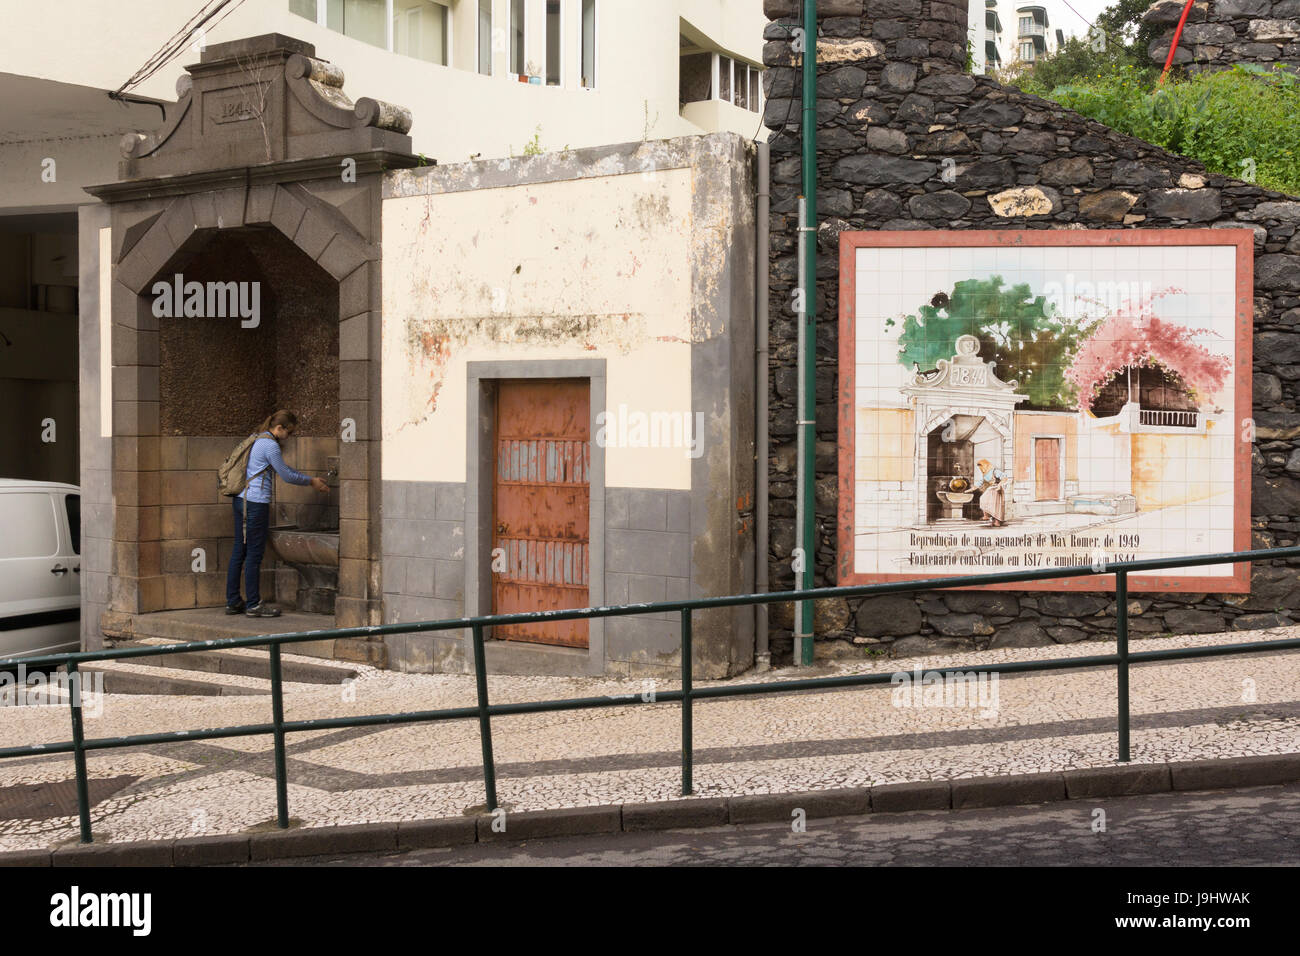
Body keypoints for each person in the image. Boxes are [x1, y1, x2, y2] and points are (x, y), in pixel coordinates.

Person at [226, 410, 329, 617]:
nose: (288, 437)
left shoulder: (256, 438)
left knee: (240, 550)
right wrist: (311, 481)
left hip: (240, 499)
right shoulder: (270, 445)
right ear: (279, 428)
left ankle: (233, 601)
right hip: (255, 503)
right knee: (254, 554)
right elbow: (286, 474)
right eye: (289, 432)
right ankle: (253, 604)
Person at [974, 458, 1008, 528]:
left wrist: (999, 485)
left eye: (981, 466)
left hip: (997, 489)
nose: (980, 468)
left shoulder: (995, 471)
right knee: (984, 500)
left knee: (996, 505)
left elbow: (1004, 478)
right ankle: (988, 516)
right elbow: (979, 484)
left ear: (986, 465)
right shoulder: (985, 474)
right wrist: (969, 490)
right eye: (980, 467)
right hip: (991, 489)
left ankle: (996, 521)